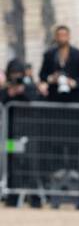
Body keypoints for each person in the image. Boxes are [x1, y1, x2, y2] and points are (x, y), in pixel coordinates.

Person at [37, 24, 79, 182]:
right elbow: (42, 75)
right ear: (56, 37)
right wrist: (50, 79)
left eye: (64, 35)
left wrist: (74, 83)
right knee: (56, 136)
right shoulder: (49, 54)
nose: (62, 38)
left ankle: (73, 168)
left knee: (73, 137)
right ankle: (59, 167)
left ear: (69, 36)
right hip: (55, 102)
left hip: (73, 102)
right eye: (59, 35)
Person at [1, 57, 42, 206]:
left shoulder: (29, 86)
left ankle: (35, 198)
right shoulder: (6, 88)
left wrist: (22, 91)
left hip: (29, 133)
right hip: (12, 134)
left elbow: (35, 98)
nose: (16, 76)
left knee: (32, 164)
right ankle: (12, 197)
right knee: (13, 164)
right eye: (13, 73)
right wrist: (9, 93)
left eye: (18, 73)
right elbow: (3, 100)